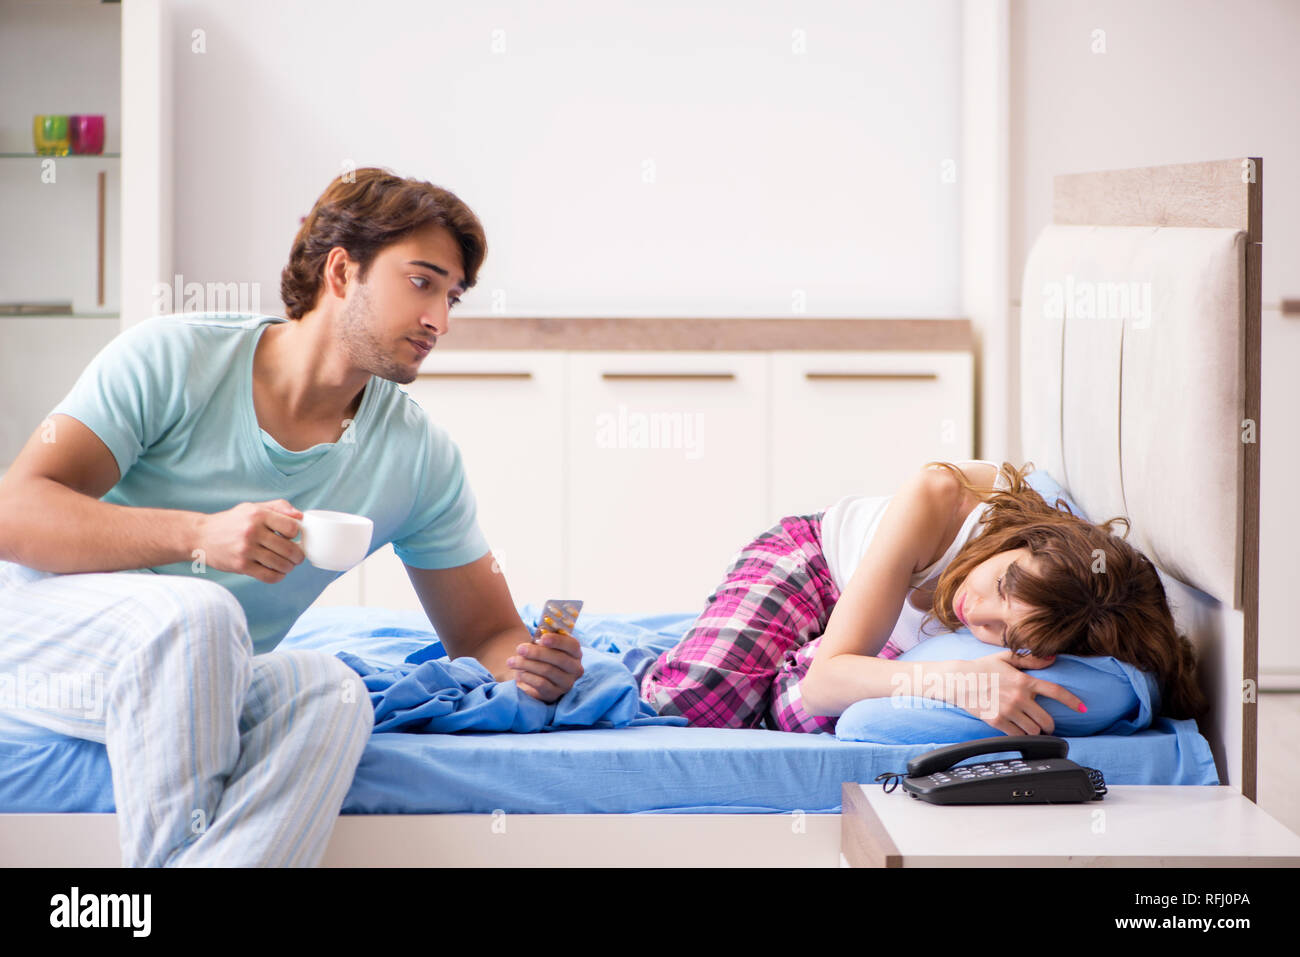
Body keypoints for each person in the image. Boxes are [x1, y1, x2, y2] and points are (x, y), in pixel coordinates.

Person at [0, 167, 583, 867]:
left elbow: (486, 632)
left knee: (331, 688)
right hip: (47, 637)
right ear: (342, 271)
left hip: (210, 673)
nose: (440, 320)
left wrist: (532, 665)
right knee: (204, 613)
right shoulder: (174, 357)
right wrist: (197, 535)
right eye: (422, 281)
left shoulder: (417, 455)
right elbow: (16, 510)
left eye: (452, 297)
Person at [640, 459, 1207, 736]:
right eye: (1004, 584)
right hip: (816, 566)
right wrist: (953, 680)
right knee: (692, 705)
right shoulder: (941, 496)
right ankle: (628, 662)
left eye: (1003, 634)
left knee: (803, 720)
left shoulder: (1069, 611)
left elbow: (817, 698)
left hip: (873, 640)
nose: (975, 611)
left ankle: (762, 662)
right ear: (1031, 542)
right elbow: (824, 681)